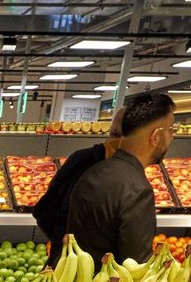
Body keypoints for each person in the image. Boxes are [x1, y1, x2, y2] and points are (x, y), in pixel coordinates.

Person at [65, 90, 177, 264]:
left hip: (80, 275)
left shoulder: (94, 171)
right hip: (109, 279)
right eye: (171, 130)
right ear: (155, 137)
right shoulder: (137, 190)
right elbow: (135, 264)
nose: (172, 136)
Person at [37, 105, 125, 267]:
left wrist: (60, 241)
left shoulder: (80, 159)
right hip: (96, 266)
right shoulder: (128, 176)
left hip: (63, 259)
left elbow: (44, 210)